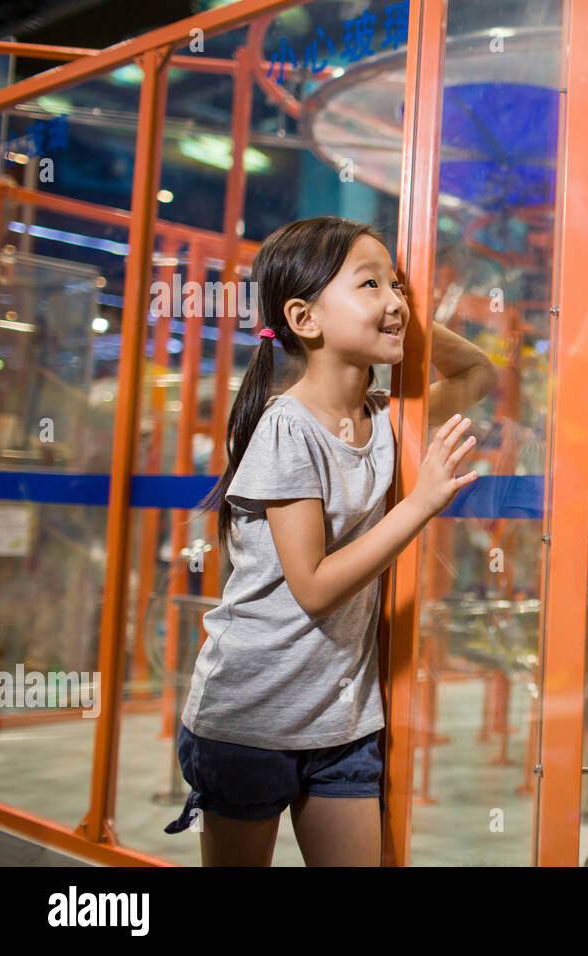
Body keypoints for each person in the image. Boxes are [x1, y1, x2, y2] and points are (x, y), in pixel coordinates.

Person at [164, 216, 495, 865]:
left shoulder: (384, 418)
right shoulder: (287, 428)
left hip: (343, 724)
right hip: (248, 720)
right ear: (304, 318)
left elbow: (478, 370)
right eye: (369, 285)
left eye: (397, 286)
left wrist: (398, 316)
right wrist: (421, 502)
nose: (396, 300)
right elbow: (313, 587)